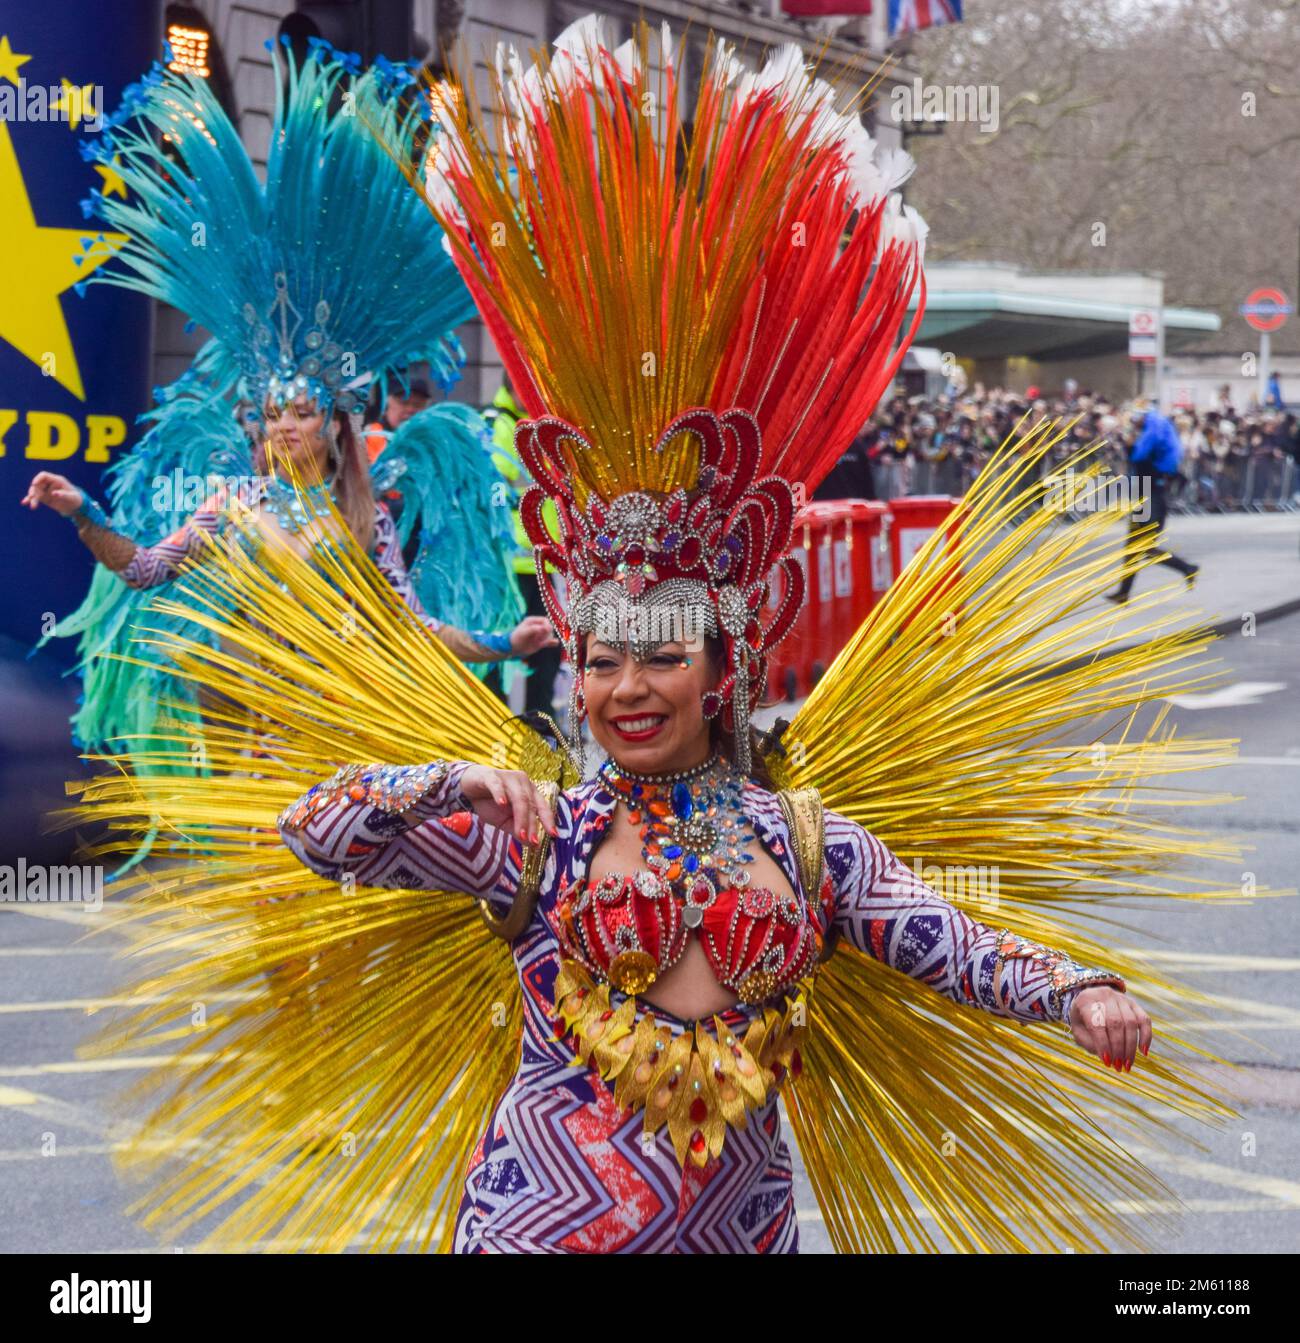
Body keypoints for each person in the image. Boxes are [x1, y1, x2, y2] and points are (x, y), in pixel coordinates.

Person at [76, 15, 1243, 1258]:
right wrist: (449, 776)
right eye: (598, 660)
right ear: (571, 673)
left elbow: (943, 935)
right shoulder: (535, 830)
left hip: (736, 1228)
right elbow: (316, 831)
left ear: (720, 668)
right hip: (546, 1225)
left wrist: (1078, 992)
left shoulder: (801, 837)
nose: (626, 687)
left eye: (658, 656)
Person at [1106, 405, 1198, 603]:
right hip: (1147, 500)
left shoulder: (1150, 451)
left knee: (1144, 548)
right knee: (1133, 547)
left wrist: (1128, 445)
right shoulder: (1156, 446)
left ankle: (1187, 568)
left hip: (1150, 502)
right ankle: (1123, 592)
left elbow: (1137, 460)